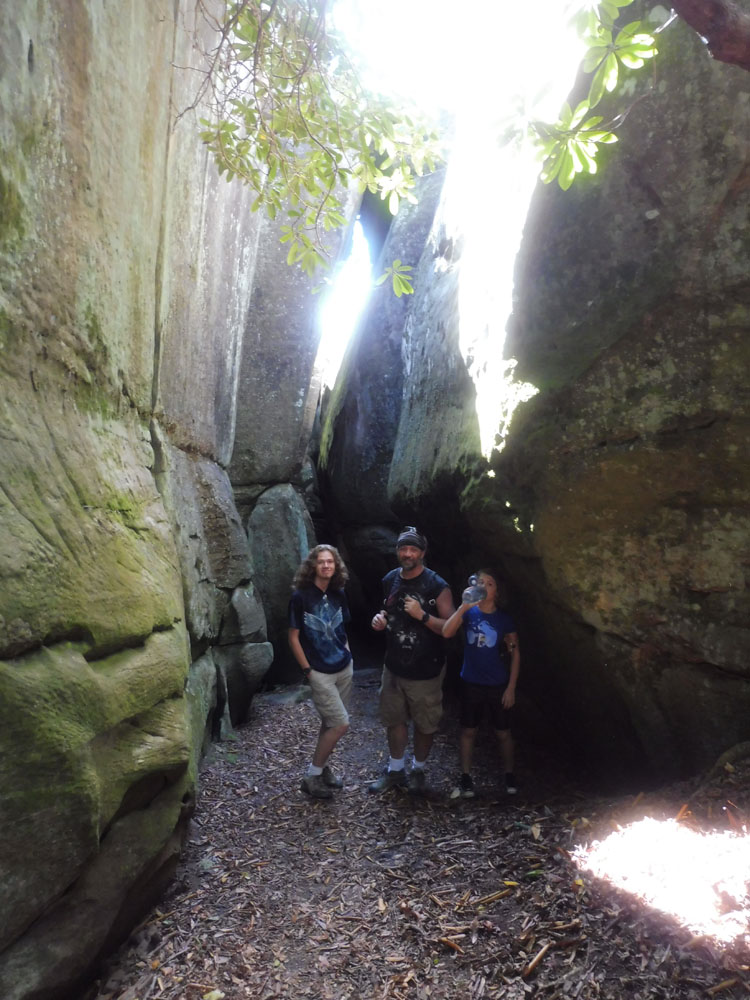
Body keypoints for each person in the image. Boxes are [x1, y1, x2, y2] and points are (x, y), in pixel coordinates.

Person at [369, 527, 455, 793]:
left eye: (413, 549)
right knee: (394, 719)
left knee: (424, 723)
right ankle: (395, 770)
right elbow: (386, 610)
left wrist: (423, 616)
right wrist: (379, 620)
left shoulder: (437, 586)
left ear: (422, 552)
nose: (408, 554)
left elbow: (451, 627)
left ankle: (418, 770)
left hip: (426, 670)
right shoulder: (389, 580)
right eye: (403, 548)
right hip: (394, 667)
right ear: (398, 551)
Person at [442, 568, 520, 798]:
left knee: (503, 733)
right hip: (471, 683)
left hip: (497, 684)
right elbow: (447, 632)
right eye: (480, 583)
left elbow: (515, 653)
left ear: (497, 591)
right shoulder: (469, 612)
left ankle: (509, 774)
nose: (484, 587)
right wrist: (464, 607)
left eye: (490, 584)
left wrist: (511, 687)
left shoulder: (504, 620)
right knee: (468, 731)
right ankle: (466, 777)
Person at [288, 544, 354, 800]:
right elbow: (293, 637)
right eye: (321, 562)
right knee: (340, 723)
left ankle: (323, 768)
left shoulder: (338, 593)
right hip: (319, 671)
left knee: (330, 722)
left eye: (330, 562)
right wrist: (308, 670)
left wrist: (349, 655)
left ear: (336, 566)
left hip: (343, 667)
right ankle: (311, 776)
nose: (326, 566)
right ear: (313, 566)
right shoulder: (300, 597)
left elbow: (342, 629)